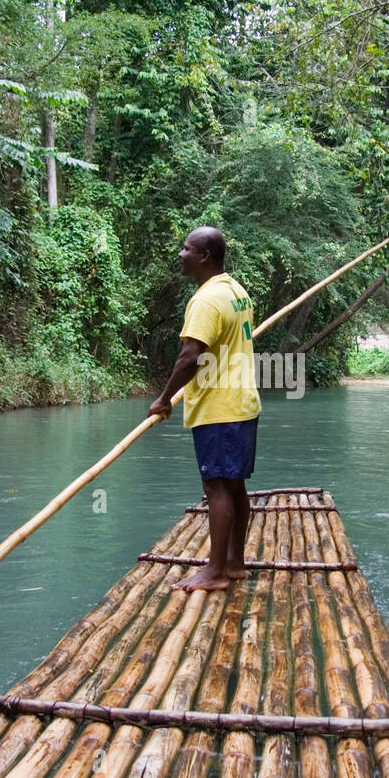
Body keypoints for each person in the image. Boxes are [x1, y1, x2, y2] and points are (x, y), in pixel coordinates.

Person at [148, 226, 261, 592]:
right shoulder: (237, 292)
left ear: (204, 257)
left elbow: (190, 358)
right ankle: (234, 562)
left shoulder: (205, 301)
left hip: (219, 408)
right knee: (235, 485)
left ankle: (213, 573)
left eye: (186, 248)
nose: (180, 254)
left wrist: (163, 399)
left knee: (215, 487)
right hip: (242, 404)